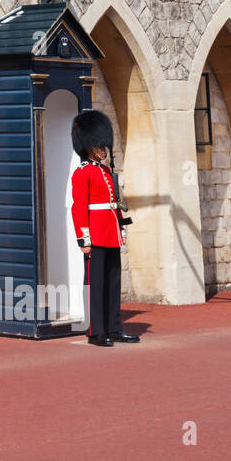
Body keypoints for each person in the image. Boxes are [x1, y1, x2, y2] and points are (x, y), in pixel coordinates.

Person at [69, 109, 139, 347]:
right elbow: (79, 209)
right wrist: (84, 239)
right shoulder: (82, 173)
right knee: (95, 285)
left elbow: (114, 203)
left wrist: (121, 229)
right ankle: (95, 331)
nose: (103, 150)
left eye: (103, 146)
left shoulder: (106, 172)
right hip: (95, 235)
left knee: (112, 282)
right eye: (99, 145)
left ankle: (114, 327)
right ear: (88, 146)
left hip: (110, 232)